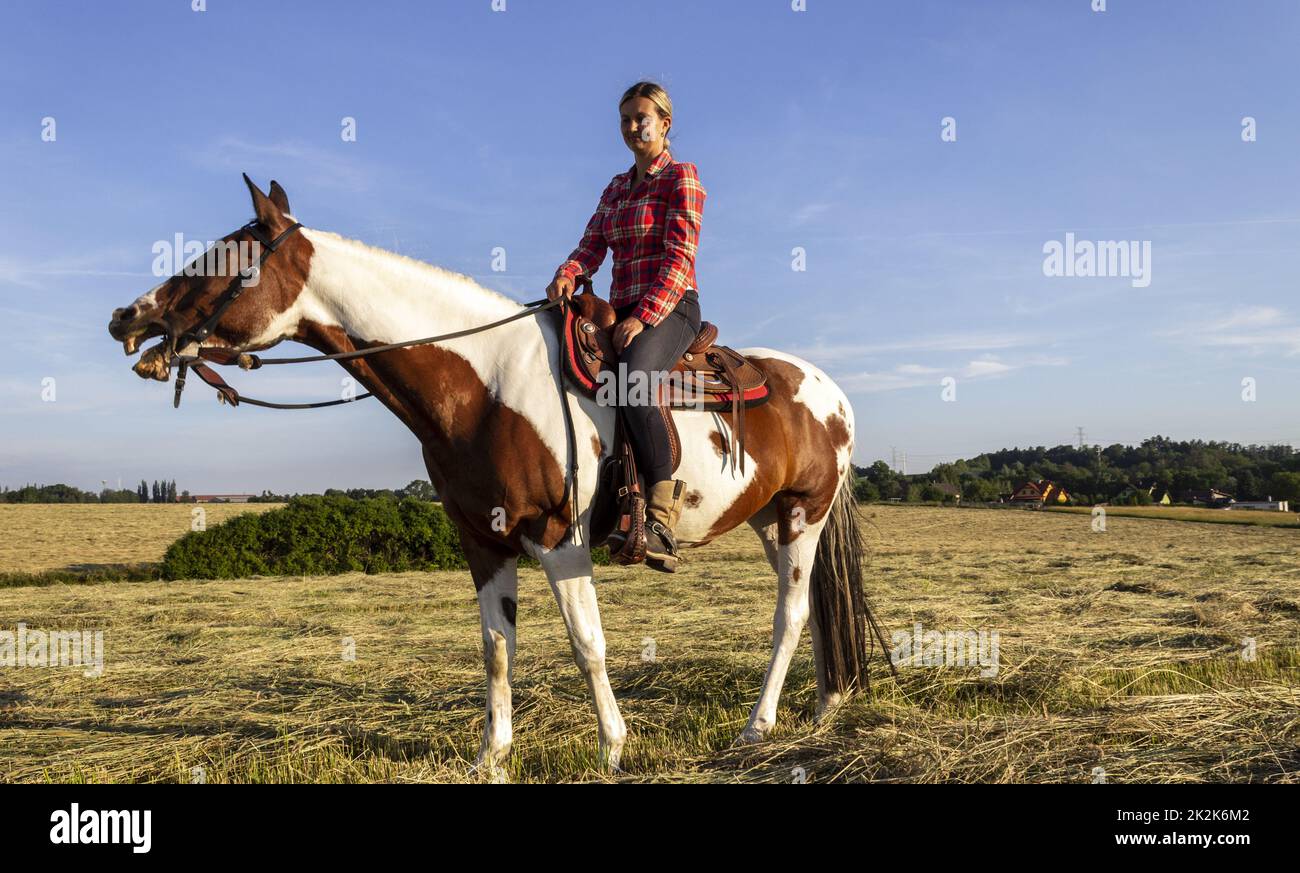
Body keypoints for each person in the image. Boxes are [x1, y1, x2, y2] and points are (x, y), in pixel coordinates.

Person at [546, 81, 706, 573]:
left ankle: (661, 518)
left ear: (665, 124)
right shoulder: (616, 187)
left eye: (642, 118)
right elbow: (591, 244)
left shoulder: (681, 178)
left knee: (634, 382)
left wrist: (644, 315)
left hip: (672, 307)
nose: (632, 126)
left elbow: (680, 259)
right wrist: (568, 273)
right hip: (620, 309)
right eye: (625, 119)